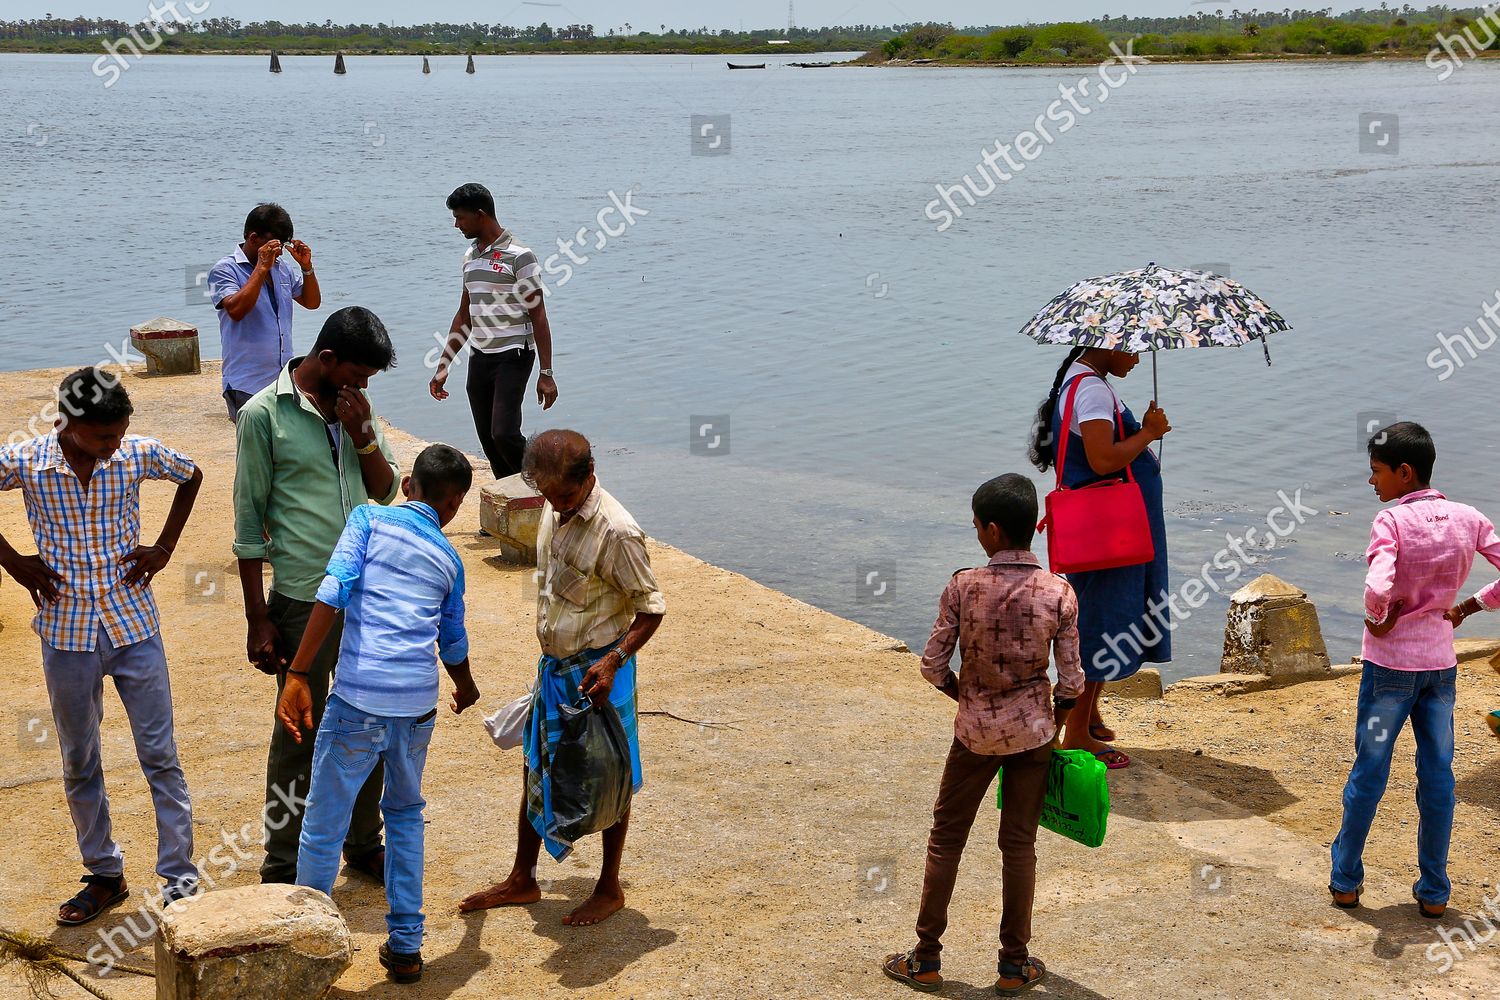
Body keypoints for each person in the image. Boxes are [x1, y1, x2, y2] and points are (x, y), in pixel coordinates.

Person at [0, 368, 203, 924]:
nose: (113, 447)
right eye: (101, 438)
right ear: (66, 424)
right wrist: (13, 561)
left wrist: (163, 547)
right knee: (79, 758)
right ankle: (104, 875)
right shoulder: (28, 461)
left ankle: (179, 878)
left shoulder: (136, 454)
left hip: (134, 627)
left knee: (160, 754)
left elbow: (191, 474)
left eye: (119, 435)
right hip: (66, 634)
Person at [279, 444, 481, 986]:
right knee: (406, 815)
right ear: (455, 504)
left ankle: (308, 946)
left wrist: (299, 673)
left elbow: (334, 590)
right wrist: (465, 686)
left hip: (358, 700)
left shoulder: (368, 518)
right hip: (417, 704)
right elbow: (452, 638)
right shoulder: (450, 559)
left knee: (324, 822)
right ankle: (408, 948)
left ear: (409, 483)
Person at [881, 474, 1083, 996]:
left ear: (992, 531)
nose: (975, 533)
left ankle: (925, 959)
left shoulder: (963, 585)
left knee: (945, 841)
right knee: (1019, 846)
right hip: (1034, 734)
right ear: (1032, 526)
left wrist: (966, 695)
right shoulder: (1059, 591)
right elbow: (1073, 681)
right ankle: (1013, 966)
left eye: (976, 526)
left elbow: (931, 666)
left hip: (973, 734)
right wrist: (1051, 717)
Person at [460, 430, 665, 926]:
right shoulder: (554, 503)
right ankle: (522, 878)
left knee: (609, 772)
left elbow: (651, 610)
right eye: (550, 496)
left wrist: (614, 660)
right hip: (555, 669)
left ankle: (609, 886)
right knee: (538, 764)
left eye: (567, 497)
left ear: (589, 474)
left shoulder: (617, 532)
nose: (559, 506)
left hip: (601, 672)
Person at [233, 306, 401, 884]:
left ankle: (363, 843)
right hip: (303, 600)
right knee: (298, 735)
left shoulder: (357, 412)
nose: (360, 389)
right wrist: (258, 619)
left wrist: (361, 436)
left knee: (369, 722)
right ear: (325, 360)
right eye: (355, 376)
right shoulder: (263, 416)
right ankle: (281, 864)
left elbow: (383, 491)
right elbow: (248, 526)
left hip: (366, 594)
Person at [1329, 422, 1500, 919]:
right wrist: (1469, 607)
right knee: (1438, 777)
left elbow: (1379, 584)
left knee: (1369, 773)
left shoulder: (1391, 522)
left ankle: (1346, 880)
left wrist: (1378, 620)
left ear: (1405, 473)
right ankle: (1434, 890)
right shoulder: (1468, 517)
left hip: (1389, 675)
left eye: (1376, 472)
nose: (1371, 482)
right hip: (1439, 671)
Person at [1028, 346, 1171, 770]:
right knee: (1102, 623)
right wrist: (1147, 434)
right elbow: (1102, 459)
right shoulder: (1091, 390)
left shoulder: (1085, 382)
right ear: (1104, 343)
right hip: (1112, 531)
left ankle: (1087, 716)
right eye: (1132, 349)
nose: (1137, 359)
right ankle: (1076, 733)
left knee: (1100, 615)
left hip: (1110, 528)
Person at [429, 183, 558, 482]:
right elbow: (464, 316)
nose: (456, 224)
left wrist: (547, 372)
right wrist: (443, 365)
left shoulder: (520, 256)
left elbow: (538, 314)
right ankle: (510, 497)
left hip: (514, 355)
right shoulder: (470, 257)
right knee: (488, 437)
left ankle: (544, 478)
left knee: (504, 432)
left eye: (460, 218)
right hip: (480, 357)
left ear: (480, 214)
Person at [210, 203, 322, 420]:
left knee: (283, 450)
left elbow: (312, 302)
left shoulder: (281, 268)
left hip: (282, 381)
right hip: (245, 383)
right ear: (253, 238)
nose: (279, 252)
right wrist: (261, 268)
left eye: (282, 246)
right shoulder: (224, 270)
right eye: (274, 245)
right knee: (255, 450)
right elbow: (236, 310)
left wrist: (306, 267)